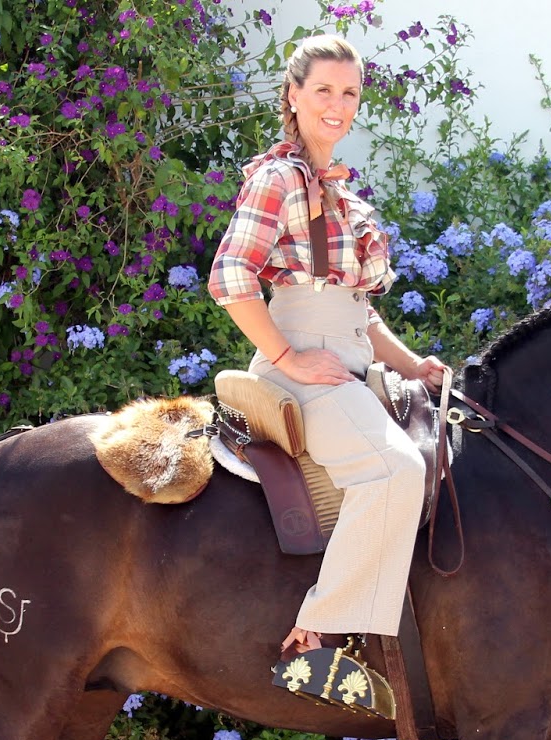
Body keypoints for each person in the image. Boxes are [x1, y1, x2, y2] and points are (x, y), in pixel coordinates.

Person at [208, 34, 447, 690]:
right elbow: (231, 279)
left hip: (352, 365)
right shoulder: (279, 179)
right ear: (293, 96)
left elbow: (358, 310)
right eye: (323, 91)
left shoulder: (342, 195)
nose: (337, 104)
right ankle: (315, 635)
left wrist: (410, 363)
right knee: (395, 471)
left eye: (349, 92)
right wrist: (288, 355)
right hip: (301, 371)